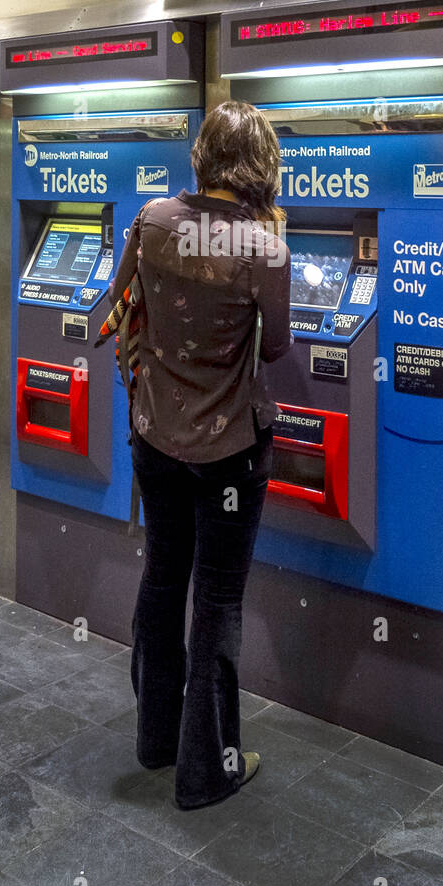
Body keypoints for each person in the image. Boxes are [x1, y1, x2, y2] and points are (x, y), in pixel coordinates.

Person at [105, 100, 292, 810]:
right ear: (261, 164)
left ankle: (156, 740)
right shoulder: (263, 248)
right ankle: (205, 768)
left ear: (202, 155)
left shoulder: (152, 220)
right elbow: (275, 346)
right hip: (229, 453)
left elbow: (121, 299)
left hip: (155, 437)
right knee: (216, 601)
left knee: (161, 578)